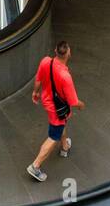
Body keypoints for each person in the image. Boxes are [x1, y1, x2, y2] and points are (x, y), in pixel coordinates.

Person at [26, 41, 85, 181]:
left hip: (48, 102)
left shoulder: (46, 61)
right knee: (54, 136)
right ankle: (35, 166)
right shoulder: (65, 77)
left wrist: (35, 92)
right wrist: (82, 105)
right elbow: (73, 102)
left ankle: (65, 147)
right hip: (57, 109)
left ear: (55, 51)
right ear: (68, 53)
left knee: (61, 124)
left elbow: (39, 80)